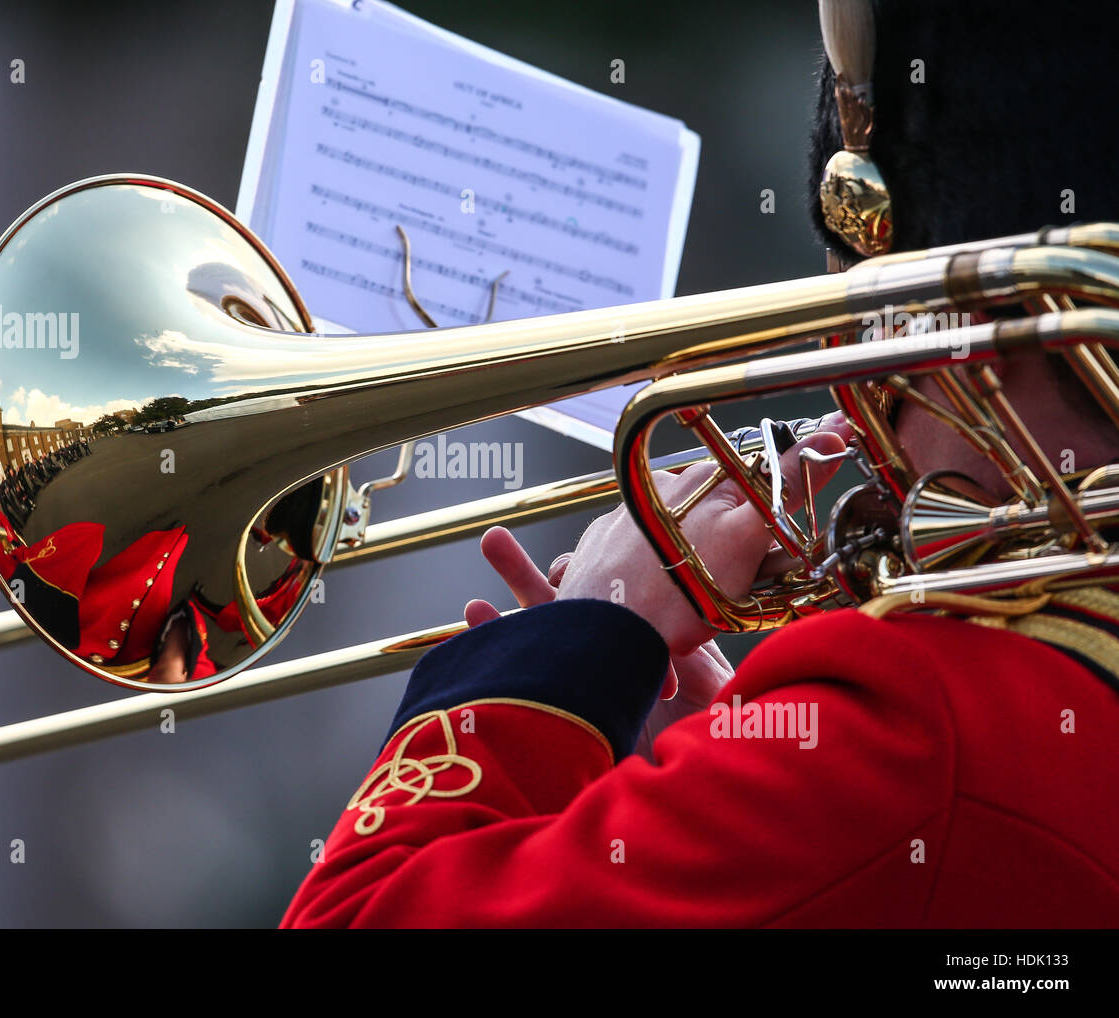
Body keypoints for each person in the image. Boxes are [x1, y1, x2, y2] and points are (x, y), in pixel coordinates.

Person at [281, 0, 1119, 927]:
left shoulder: (918, 733)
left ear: (963, 334)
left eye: (869, 328)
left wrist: (576, 646)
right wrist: (728, 770)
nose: (853, 392)